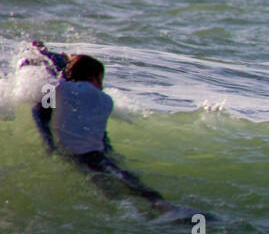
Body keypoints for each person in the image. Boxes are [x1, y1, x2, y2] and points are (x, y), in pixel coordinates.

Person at [27, 44, 173, 210]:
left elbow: (39, 112)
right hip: (96, 155)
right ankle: (159, 205)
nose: (102, 85)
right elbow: (99, 134)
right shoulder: (106, 100)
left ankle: (42, 52)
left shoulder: (59, 88)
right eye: (101, 79)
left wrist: (49, 144)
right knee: (128, 181)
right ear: (95, 77)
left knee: (106, 190)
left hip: (74, 155)